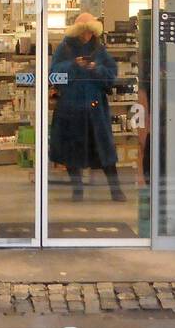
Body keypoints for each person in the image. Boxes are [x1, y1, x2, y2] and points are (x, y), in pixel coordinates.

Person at [48, 12, 126, 202]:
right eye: (84, 32)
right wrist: (73, 65)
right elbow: (54, 75)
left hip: (94, 109)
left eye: (90, 32)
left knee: (104, 150)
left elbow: (110, 75)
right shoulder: (65, 48)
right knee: (72, 152)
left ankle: (115, 190)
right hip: (71, 108)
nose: (87, 36)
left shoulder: (99, 49)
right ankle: (77, 190)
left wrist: (95, 69)